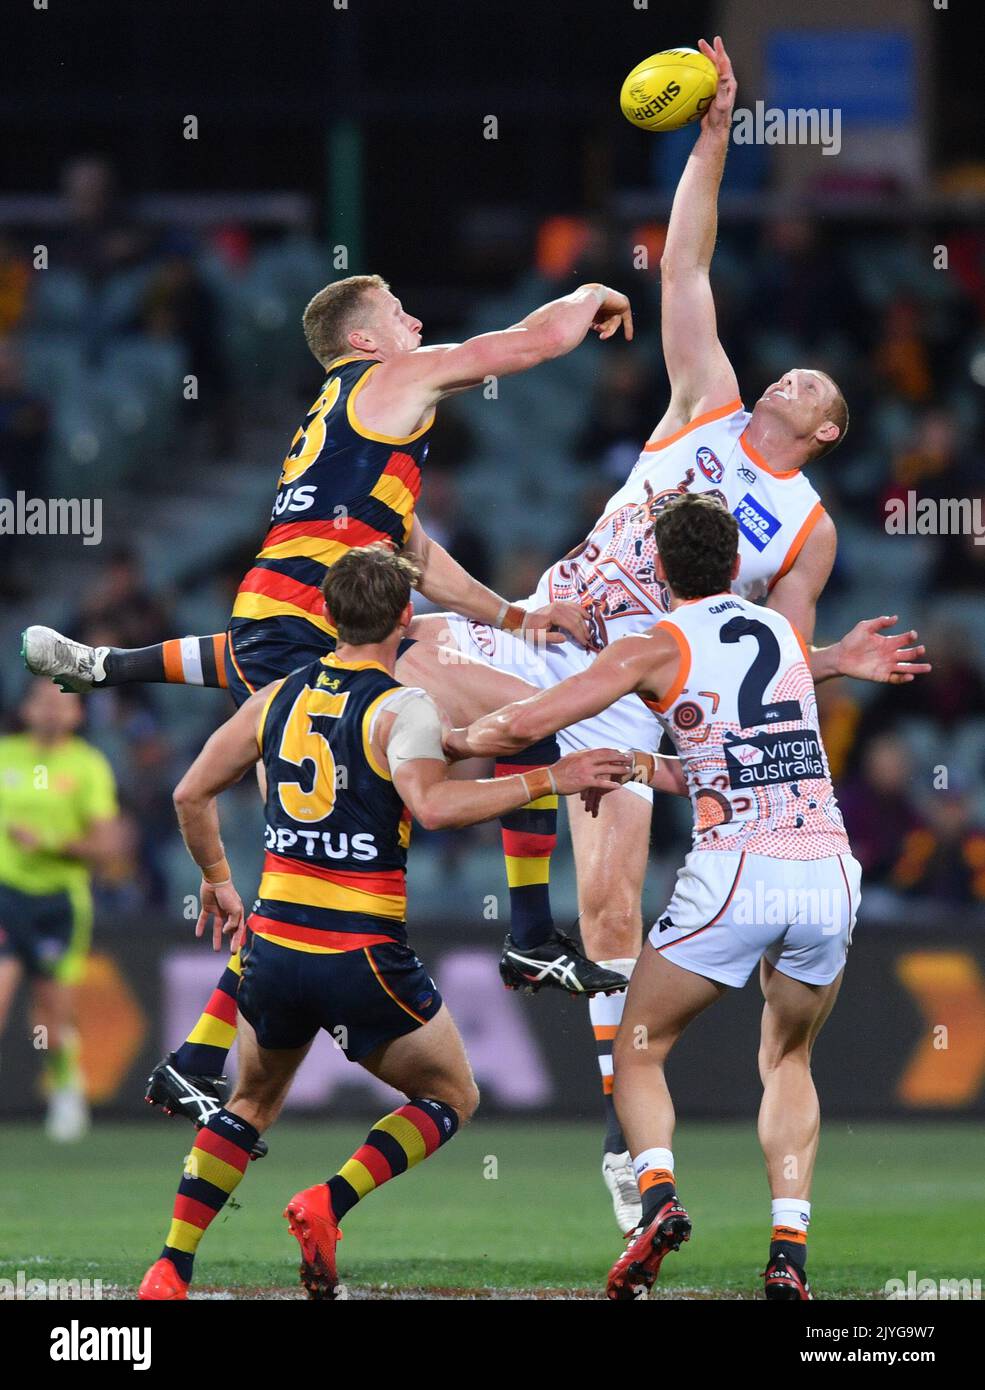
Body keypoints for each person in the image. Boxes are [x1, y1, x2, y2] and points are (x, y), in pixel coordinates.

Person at [408, 35, 928, 1232]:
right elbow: (684, 264)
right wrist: (714, 135)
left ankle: (621, 1148)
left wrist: (837, 659)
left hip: (645, 691)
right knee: (409, 660)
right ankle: (521, 922)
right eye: (789, 370)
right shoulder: (705, 401)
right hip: (552, 626)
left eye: (812, 386)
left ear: (832, 428)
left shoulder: (807, 531)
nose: (791, 377)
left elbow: (776, 652)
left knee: (615, 915)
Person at [26, 272, 637, 1126]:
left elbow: (415, 558)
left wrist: (518, 618)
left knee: (528, 727)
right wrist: (591, 291)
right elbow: (527, 345)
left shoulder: (351, 429)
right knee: (323, 868)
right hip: (309, 633)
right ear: (366, 342)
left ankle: (529, 938)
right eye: (400, 312)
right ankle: (201, 1060)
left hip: (290, 626)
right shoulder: (394, 381)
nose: (417, 320)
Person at [137, 544, 629, 1300]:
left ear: (327, 616)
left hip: (272, 951)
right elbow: (433, 804)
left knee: (249, 1103)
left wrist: (217, 882)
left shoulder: (275, 697)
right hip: (362, 957)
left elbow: (189, 794)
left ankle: (171, 1266)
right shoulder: (404, 705)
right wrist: (547, 777)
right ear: (405, 616)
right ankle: (326, 1203)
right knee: (451, 1096)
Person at [450, 494, 862, 1300]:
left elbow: (533, 719)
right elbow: (734, 755)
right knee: (786, 1057)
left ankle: (659, 1199)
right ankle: (786, 1253)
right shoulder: (780, 635)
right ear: (735, 567)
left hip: (739, 867)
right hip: (828, 869)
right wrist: (644, 767)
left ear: (660, 570)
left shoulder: (651, 646)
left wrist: (453, 738)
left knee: (637, 1048)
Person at [0, 680, 123, 1140]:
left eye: (61, 702)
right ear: (27, 710)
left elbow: (107, 848)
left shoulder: (87, 765)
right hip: (6, 895)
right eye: (42, 702)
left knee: (49, 1017)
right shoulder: (5, 755)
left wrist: (48, 843)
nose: (51, 711)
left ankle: (66, 1089)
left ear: (78, 715)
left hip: (58, 903)